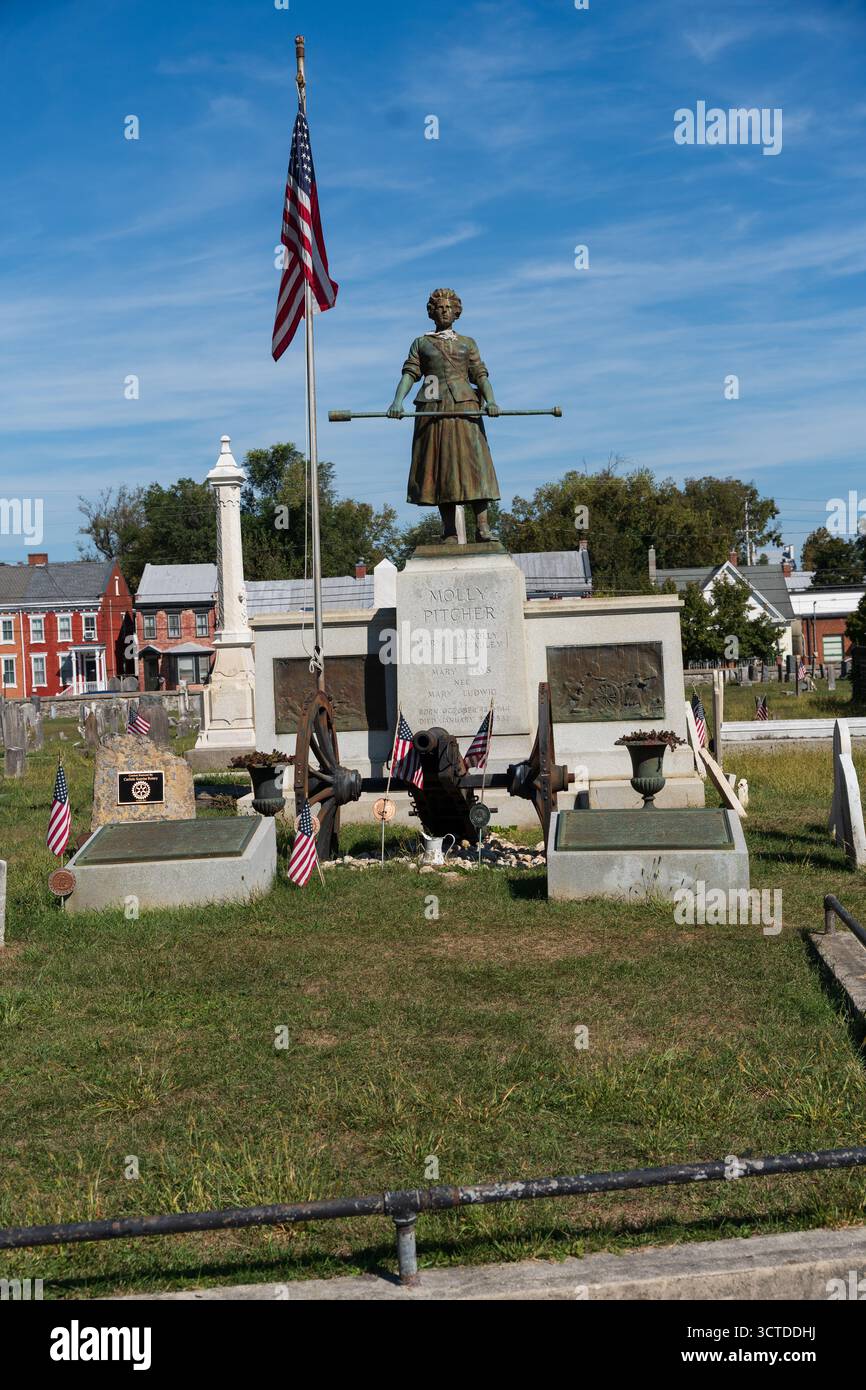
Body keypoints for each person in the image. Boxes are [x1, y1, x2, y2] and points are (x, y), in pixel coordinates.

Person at [387, 287, 500, 541]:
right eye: (439, 307)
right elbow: (410, 374)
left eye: (449, 307)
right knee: (441, 467)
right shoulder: (422, 343)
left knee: (475, 466)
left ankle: (482, 528)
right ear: (431, 312)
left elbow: (480, 375)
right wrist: (397, 401)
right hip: (433, 409)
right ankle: (449, 530)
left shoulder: (467, 343)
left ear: (457, 312)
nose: (444, 311)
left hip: (465, 407)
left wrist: (491, 400)